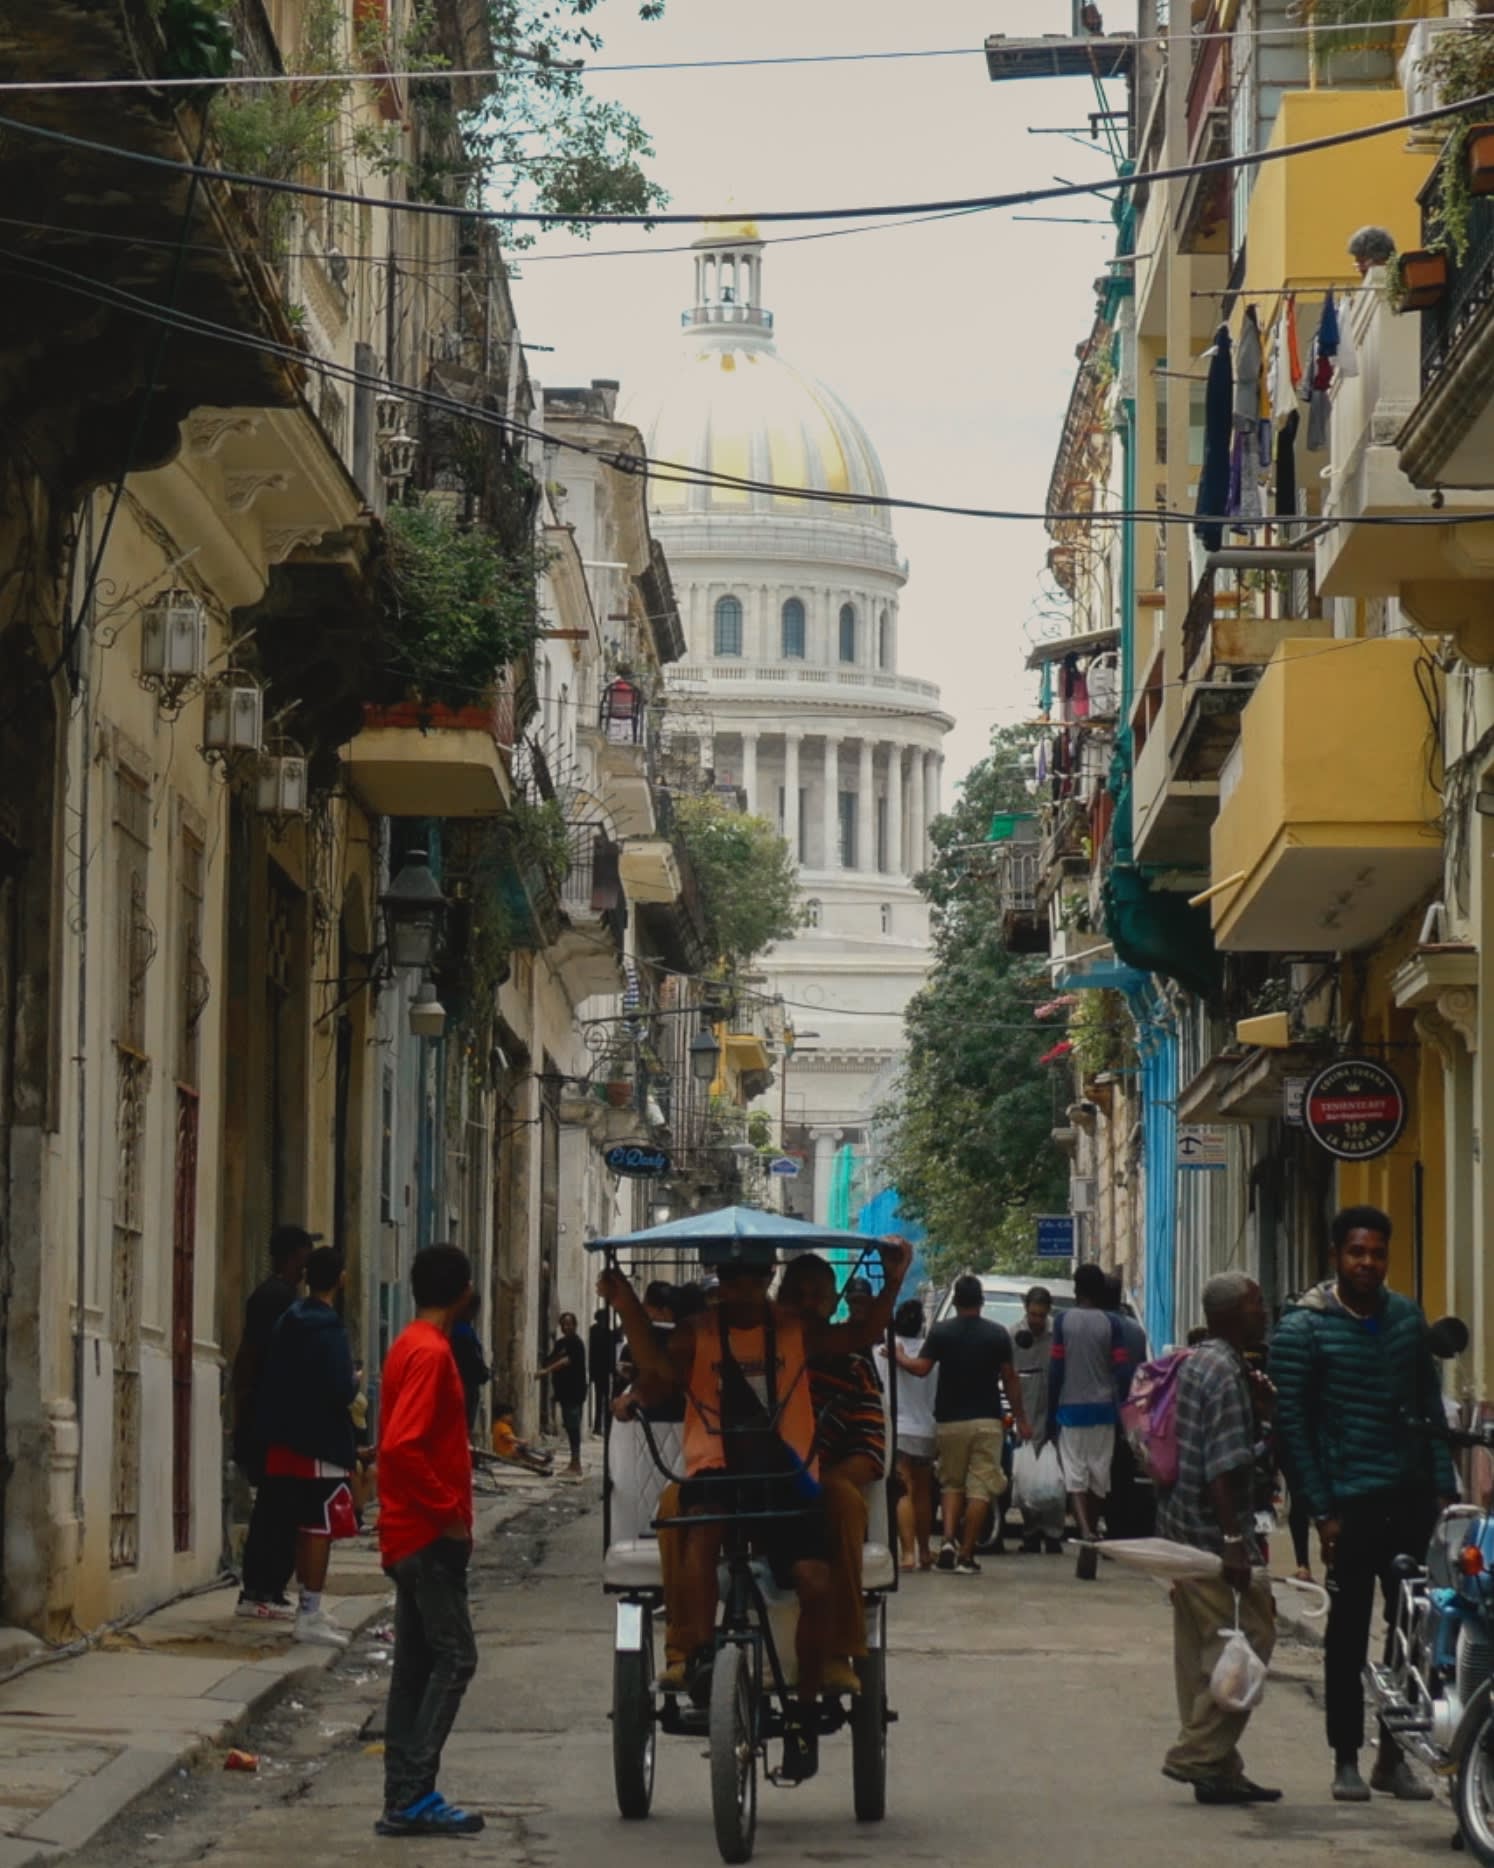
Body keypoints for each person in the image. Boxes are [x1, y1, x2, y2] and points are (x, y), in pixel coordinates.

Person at [600, 1236, 911, 1784]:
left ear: (768, 1277)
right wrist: (625, 1307)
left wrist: (893, 1282)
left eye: (752, 1278)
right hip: (720, 1474)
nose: (742, 1288)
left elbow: (860, 1337)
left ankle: (810, 1703)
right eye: (732, 1278)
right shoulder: (698, 1333)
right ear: (720, 1278)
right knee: (696, 1523)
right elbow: (658, 1377)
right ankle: (691, 1650)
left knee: (814, 1580)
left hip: (788, 1480)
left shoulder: (799, 1331)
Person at [1270, 1204, 1454, 1804]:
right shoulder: (1305, 1329)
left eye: (1376, 1253)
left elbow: (1429, 1406)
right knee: (1348, 1636)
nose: (1367, 1263)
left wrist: (1444, 1489)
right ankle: (1347, 1758)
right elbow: (1293, 1430)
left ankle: (1393, 1757)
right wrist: (1321, 1511)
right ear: (1336, 1256)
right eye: (1357, 1252)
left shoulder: (1404, 1318)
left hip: (1411, 1501)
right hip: (1347, 1505)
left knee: (1415, 1637)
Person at [1158, 1273, 1282, 1807]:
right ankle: (1197, 1753)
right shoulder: (1226, 1370)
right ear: (1232, 1313)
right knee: (1253, 1635)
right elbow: (1223, 1469)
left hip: (1180, 1526)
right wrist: (1234, 1540)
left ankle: (1220, 1771)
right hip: (1211, 1534)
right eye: (1256, 1304)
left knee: (1201, 1651)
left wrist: (1262, 1415)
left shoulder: (1198, 1361)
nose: (1264, 1311)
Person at [375, 1243, 483, 1840]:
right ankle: (414, 1792)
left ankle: (403, 1796)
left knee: (414, 1668)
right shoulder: (432, 1352)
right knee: (457, 1657)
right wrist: (447, 1515)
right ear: (464, 1290)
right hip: (425, 1537)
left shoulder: (407, 1345)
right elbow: (401, 1445)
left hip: (408, 1534)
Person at [779, 1255, 886, 1694]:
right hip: (753, 1487)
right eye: (796, 1296)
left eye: (816, 1297)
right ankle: (688, 1651)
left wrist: (822, 1481)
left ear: (831, 1304)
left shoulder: (853, 1367)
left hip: (818, 1491)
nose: (806, 1306)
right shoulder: (756, 1353)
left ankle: (840, 1650)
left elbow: (871, 1452)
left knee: (842, 1497)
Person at [255, 1247, 360, 1648]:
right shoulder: (328, 1328)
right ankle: (310, 1611)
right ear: (341, 1279)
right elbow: (338, 1388)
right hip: (320, 1441)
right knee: (319, 1527)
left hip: (286, 1437)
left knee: (301, 1525)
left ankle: (308, 1607)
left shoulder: (288, 1321)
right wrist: (354, 1381)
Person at [899, 1273, 1031, 1575]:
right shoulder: (998, 1335)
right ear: (982, 1302)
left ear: (956, 1301)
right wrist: (1022, 1419)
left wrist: (900, 1358)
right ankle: (967, 1554)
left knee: (951, 1484)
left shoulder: (942, 1332)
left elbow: (921, 1369)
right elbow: (1010, 1378)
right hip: (987, 1420)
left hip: (950, 1421)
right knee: (980, 1488)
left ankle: (947, 1541)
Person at [232, 1223, 317, 1620]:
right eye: (304, 1254)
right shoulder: (281, 1301)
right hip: (273, 1420)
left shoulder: (272, 1296)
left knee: (276, 1505)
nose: (306, 1264)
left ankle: (266, 1588)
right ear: (291, 1255)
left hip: (265, 1416)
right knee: (276, 1508)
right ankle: (261, 1589)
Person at [1049, 1261, 1137, 1578]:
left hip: (1070, 1409)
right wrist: (1124, 1407)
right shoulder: (1111, 1324)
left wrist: (1050, 1410)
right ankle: (1094, 1532)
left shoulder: (1062, 1322)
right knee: (1099, 1475)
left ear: (1076, 1289)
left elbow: (1057, 1368)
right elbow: (1122, 1368)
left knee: (1075, 1475)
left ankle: (1085, 1530)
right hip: (1104, 1411)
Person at [876, 1298, 939, 1570]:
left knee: (904, 1491)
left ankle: (908, 1554)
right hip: (926, 1430)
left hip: (897, 1430)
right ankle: (925, 1551)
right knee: (924, 1493)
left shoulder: (881, 1352)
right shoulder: (932, 1358)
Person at [1010, 1287, 1064, 1555]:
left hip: (1053, 1411)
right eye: (1033, 1314)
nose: (1036, 1321)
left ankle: (1053, 1533)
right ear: (1026, 1310)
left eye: (1041, 1315)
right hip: (1027, 1412)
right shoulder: (1014, 1335)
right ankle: (1031, 1531)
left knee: (1054, 1476)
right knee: (1027, 1475)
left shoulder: (1058, 1335)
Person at [1105, 1274, 1151, 1539]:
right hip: (1129, 1412)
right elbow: (1141, 1373)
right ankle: (1118, 1528)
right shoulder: (1135, 1330)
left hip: (1099, 1410)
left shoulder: (1099, 1326)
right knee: (1123, 1473)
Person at [537, 1312, 588, 1477]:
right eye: (564, 1324)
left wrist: (547, 1371)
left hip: (575, 1391)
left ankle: (576, 1463)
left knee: (573, 1426)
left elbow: (566, 1361)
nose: (567, 1327)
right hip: (564, 1392)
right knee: (569, 1424)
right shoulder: (561, 1343)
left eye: (569, 1324)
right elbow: (551, 1358)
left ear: (575, 1325)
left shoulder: (576, 1343)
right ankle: (573, 1462)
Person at [450, 1290, 491, 1437]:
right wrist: (484, 1373)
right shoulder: (462, 1332)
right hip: (464, 1386)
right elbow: (471, 1361)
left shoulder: (459, 1329)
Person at [491, 1398, 554, 1474]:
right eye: (510, 1416)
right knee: (524, 1452)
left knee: (524, 1454)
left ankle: (540, 1462)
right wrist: (520, 1441)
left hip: (503, 1451)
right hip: (506, 1453)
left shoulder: (496, 1425)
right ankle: (540, 1461)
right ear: (503, 1415)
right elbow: (508, 1437)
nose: (512, 1418)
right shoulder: (502, 1426)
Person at [588, 1305, 620, 1435]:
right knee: (603, 1400)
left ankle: (601, 1426)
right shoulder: (603, 1332)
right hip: (602, 1371)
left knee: (603, 1400)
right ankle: (601, 1426)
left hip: (602, 1371)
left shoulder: (603, 1332)